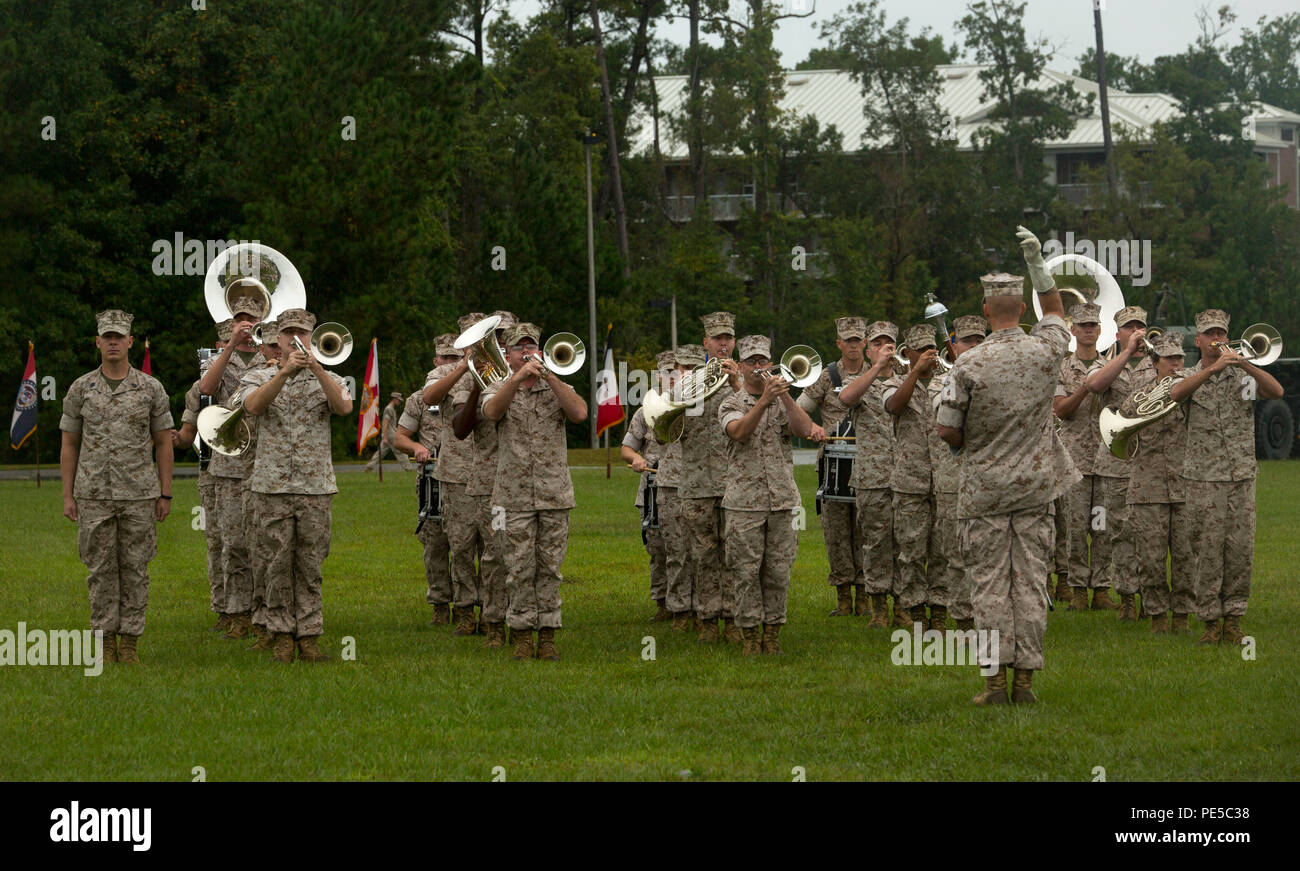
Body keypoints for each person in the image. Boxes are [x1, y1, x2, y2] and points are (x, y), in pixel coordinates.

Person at [935, 227, 1078, 705]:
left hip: (984, 491)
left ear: (982, 313)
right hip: (1036, 488)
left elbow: (946, 430)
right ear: (1021, 310)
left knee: (990, 586)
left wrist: (972, 447)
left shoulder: (968, 364)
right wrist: (1037, 262)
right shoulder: (1045, 349)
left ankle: (995, 682)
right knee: (1032, 583)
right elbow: (1056, 311)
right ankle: (1026, 684)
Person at [60, 309, 174, 665]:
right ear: (98, 342)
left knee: (136, 568)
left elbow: (163, 443)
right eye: (106, 337)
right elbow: (69, 444)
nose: (112, 342)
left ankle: (130, 644)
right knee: (100, 569)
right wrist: (67, 494)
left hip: (139, 494)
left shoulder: (150, 388)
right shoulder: (81, 388)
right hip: (93, 494)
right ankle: (105, 642)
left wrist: (165, 491)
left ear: (130, 342)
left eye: (118, 337)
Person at [239, 308, 353, 663]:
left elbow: (344, 407)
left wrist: (316, 369)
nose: (295, 340)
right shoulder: (258, 376)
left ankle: (309, 635)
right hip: (271, 486)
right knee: (274, 564)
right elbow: (253, 407)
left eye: (301, 333)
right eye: (288, 334)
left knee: (310, 564)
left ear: (312, 336)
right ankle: (281, 634)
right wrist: (283, 373)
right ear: (279, 338)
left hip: (315, 486)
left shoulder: (330, 376)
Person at [1169, 309, 1283, 644]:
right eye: (1210, 334)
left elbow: (1275, 391)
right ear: (1198, 340)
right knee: (1205, 550)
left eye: (1221, 334)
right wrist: (1213, 369)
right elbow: (1176, 395)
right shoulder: (1185, 375)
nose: (1216, 340)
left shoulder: (1243, 379)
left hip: (1241, 477)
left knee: (1239, 550)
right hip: (1203, 479)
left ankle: (1233, 619)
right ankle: (1209, 622)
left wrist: (1244, 364)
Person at [482, 323, 588, 661]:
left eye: (532, 347)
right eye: (519, 348)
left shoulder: (557, 387)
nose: (527, 353)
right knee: (518, 568)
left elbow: (580, 413)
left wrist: (551, 378)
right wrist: (516, 379)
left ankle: (548, 636)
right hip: (512, 497)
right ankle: (523, 635)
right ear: (508, 355)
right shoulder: (497, 386)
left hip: (554, 494)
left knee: (550, 568)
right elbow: (491, 412)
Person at [719, 336, 819, 654]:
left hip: (782, 499)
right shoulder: (731, 403)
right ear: (742, 366)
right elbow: (739, 432)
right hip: (744, 502)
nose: (759, 367)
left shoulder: (781, 399)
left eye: (763, 361)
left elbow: (805, 430)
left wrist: (785, 397)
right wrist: (763, 401)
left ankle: (772, 633)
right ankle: (749, 635)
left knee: (778, 570)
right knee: (746, 570)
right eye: (752, 362)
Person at [1117, 332, 1195, 634]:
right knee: (1150, 557)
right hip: (1147, 486)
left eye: (1180, 358)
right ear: (1155, 362)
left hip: (1185, 484)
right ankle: (1157, 615)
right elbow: (1120, 430)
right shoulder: (1139, 395)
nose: (1176, 364)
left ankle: (1183, 616)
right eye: (1169, 359)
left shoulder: (1191, 392)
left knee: (1186, 556)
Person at [199, 295, 265, 640]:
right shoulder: (216, 358)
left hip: (265, 461)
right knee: (233, 542)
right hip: (229, 464)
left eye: (252, 319)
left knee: (264, 543)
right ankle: (236, 613)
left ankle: (264, 613)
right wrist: (230, 348)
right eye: (241, 319)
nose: (246, 324)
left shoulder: (272, 353)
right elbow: (206, 389)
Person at [1082, 305, 1152, 613]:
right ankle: (1125, 598)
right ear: (1118, 333)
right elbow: (1094, 386)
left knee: (1151, 532)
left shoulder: (1160, 363)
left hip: (1153, 461)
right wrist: (1126, 353)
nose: (1135, 330)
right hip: (1117, 461)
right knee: (1121, 531)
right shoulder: (1105, 364)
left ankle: (1152, 598)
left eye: (1140, 325)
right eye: (1129, 327)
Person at [797, 316, 868, 616]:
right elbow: (799, 410)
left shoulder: (878, 372)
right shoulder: (825, 376)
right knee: (836, 532)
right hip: (833, 466)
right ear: (839, 343)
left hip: (868, 463)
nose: (853, 345)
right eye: (847, 340)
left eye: (858, 339)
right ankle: (843, 597)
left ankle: (866, 595)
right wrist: (813, 428)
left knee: (866, 530)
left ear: (865, 342)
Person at [678, 313, 743, 644]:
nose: (723, 343)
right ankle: (706, 619)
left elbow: (761, 414)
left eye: (728, 338)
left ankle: (732, 619)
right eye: (717, 338)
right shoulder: (688, 382)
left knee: (733, 554)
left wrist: (737, 383)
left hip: (735, 484)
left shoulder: (747, 379)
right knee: (703, 555)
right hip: (698, 483)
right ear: (705, 343)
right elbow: (668, 431)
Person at [837, 321, 904, 629]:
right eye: (877, 344)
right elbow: (846, 399)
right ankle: (878, 606)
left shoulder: (907, 378)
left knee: (907, 542)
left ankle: (905, 604)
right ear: (868, 348)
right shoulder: (859, 380)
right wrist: (876, 368)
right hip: (872, 477)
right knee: (875, 543)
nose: (884, 348)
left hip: (906, 476)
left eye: (889, 343)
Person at [423, 313, 486, 633]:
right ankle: (463, 611)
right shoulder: (444, 371)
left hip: (492, 472)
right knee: (460, 546)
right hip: (457, 472)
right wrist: (463, 366)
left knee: (492, 548)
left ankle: (491, 611)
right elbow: (429, 398)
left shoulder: (499, 370)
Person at [393, 334, 461, 627]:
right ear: (435, 361)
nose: (449, 364)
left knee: (466, 545)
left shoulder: (472, 393)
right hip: (432, 482)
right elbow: (399, 438)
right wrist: (417, 448)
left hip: (465, 479)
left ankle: (469, 604)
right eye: (445, 358)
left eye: (455, 359)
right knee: (435, 545)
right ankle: (440, 604)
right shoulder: (419, 399)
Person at [926, 315, 987, 631]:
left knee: (990, 552)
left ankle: (991, 618)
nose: (975, 346)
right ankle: (964, 621)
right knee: (956, 553)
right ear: (953, 345)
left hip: (991, 479)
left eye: (980, 340)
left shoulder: (997, 377)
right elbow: (951, 418)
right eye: (968, 341)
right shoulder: (940, 381)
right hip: (954, 481)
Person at [452, 327, 511, 648]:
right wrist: (478, 386)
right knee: (495, 556)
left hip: (525, 483)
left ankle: (525, 620)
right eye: (496, 341)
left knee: (523, 556)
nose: (500, 346)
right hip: (489, 484)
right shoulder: (477, 377)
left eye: (504, 342)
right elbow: (460, 429)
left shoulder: (530, 377)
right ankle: (493, 624)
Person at [884, 324, 942, 630]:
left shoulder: (947, 381)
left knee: (944, 551)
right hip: (910, 482)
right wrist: (914, 373)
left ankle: (942, 612)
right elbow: (894, 407)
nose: (928, 355)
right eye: (921, 350)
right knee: (911, 551)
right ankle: (914, 611)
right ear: (908, 353)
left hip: (943, 481)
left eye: (931, 349)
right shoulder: (894, 382)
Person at [1052, 302, 1108, 611]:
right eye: (1082, 325)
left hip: (1106, 458)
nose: (1088, 330)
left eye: (1093, 325)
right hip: (1073, 460)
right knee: (1074, 528)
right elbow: (1061, 410)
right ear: (1073, 331)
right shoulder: (1061, 368)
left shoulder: (1113, 365)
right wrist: (1087, 388)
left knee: (1102, 527)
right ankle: (1076, 590)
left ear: (1100, 330)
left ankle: (1101, 589)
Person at [174, 322, 229, 633]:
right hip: (211, 472)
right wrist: (170, 440)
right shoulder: (200, 389)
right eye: (223, 342)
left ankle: (259, 612)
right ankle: (225, 610)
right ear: (216, 345)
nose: (227, 347)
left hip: (251, 472)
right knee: (218, 543)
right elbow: (186, 433)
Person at [621, 352, 672, 622]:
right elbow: (627, 448)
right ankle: (663, 604)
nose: (671, 378)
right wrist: (637, 458)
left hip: (685, 487)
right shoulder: (645, 411)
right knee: (658, 547)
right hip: (653, 489)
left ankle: (692, 605)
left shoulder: (695, 409)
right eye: (666, 373)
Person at [664, 345, 709, 630]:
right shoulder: (668, 399)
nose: (689, 373)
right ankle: (681, 611)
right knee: (677, 552)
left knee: (706, 553)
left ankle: (709, 612)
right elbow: (660, 437)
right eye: (685, 369)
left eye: (695, 369)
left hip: (707, 483)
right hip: (674, 482)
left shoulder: (719, 396)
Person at [366, 392, 414, 472]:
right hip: (390, 435)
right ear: (394, 399)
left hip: (388, 434)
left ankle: (369, 467)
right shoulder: (389, 409)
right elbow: (385, 423)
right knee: (400, 451)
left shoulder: (391, 409)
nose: (399, 402)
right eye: (398, 400)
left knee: (380, 453)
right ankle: (408, 468)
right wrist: (385, 437)